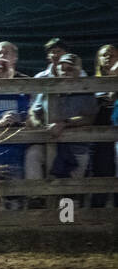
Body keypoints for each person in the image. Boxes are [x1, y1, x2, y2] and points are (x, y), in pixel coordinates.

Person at [27, 53, 97, 182]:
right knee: (33, 154)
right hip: (50, 143)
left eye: (70, 69)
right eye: (62, 68)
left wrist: (65, 123)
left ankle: (70, 200)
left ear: (78, 71)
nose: (65, 72)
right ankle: (35, 198)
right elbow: (33, 112)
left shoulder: (86, 90)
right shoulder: (48, 90)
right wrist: (39, 125)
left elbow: (89, 117)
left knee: (71, 189)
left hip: (76, 147)